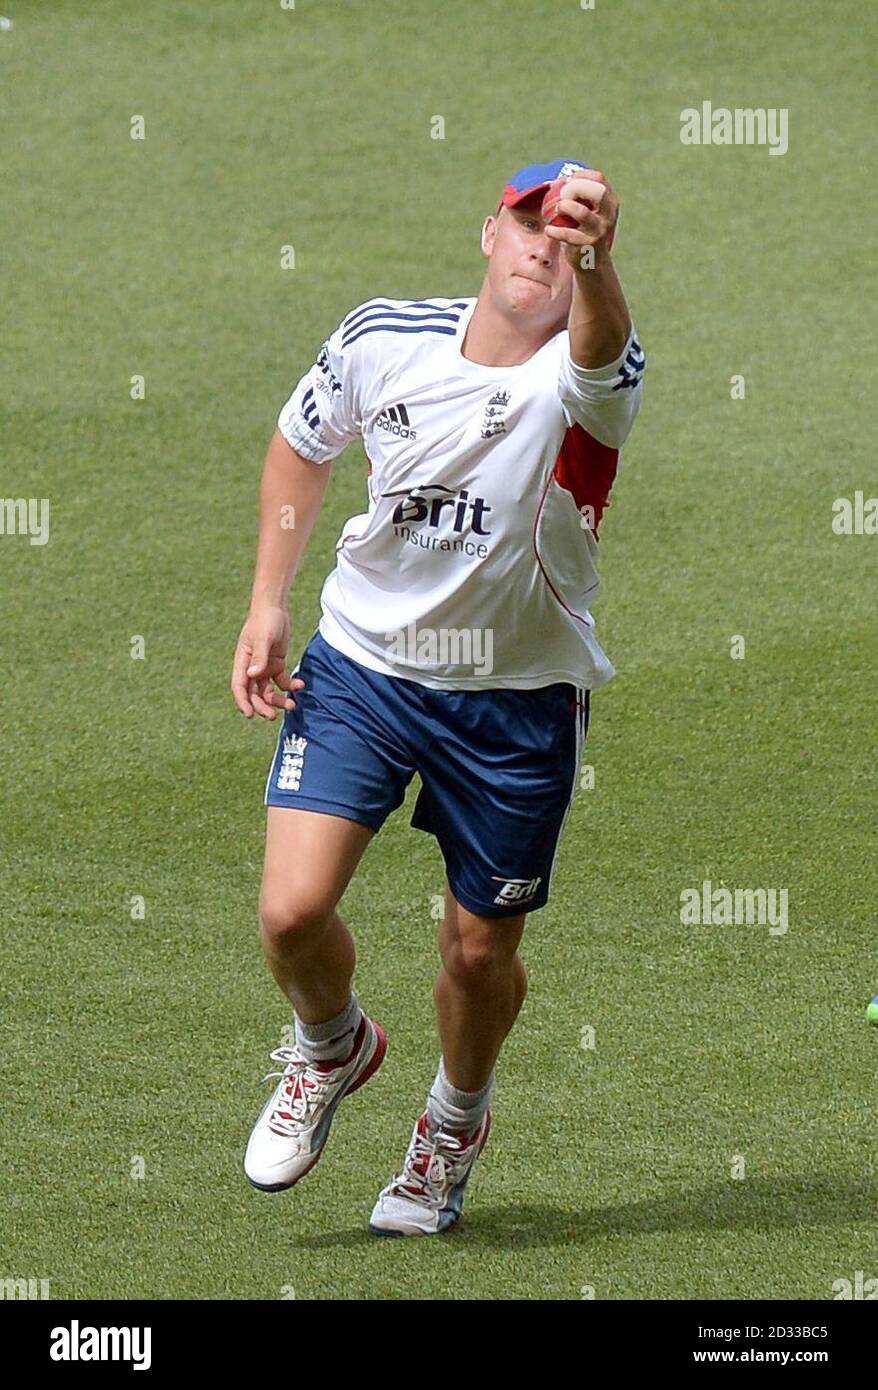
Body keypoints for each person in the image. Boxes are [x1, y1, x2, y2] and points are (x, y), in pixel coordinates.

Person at [230, 158, 645, 1236]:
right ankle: (331, 1045)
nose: (543, 251)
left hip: (514, 699)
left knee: (475, 951)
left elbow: (599, 344)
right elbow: (300, 444)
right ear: (487, 233)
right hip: (365, 663)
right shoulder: (382, 335)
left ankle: (454, 1122)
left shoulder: (588, 374)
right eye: (528, 227)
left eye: (568, 241)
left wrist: (598, 254)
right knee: (289, 911)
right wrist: (268, 601)